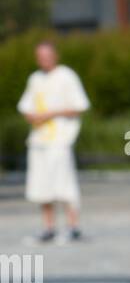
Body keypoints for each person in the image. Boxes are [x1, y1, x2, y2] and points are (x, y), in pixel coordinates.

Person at [17, 41, 90, 242]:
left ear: (55, 55)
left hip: (60, 139)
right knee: (42, 186)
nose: (44, 60)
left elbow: (79, 106)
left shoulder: (66, 76)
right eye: (40, 56)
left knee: (64, 184)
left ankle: (73, 227)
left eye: (47, 56)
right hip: (39, 140)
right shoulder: (35, 79)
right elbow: (26, 107)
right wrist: (33, 117)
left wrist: (50, 114)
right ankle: (48, 228)